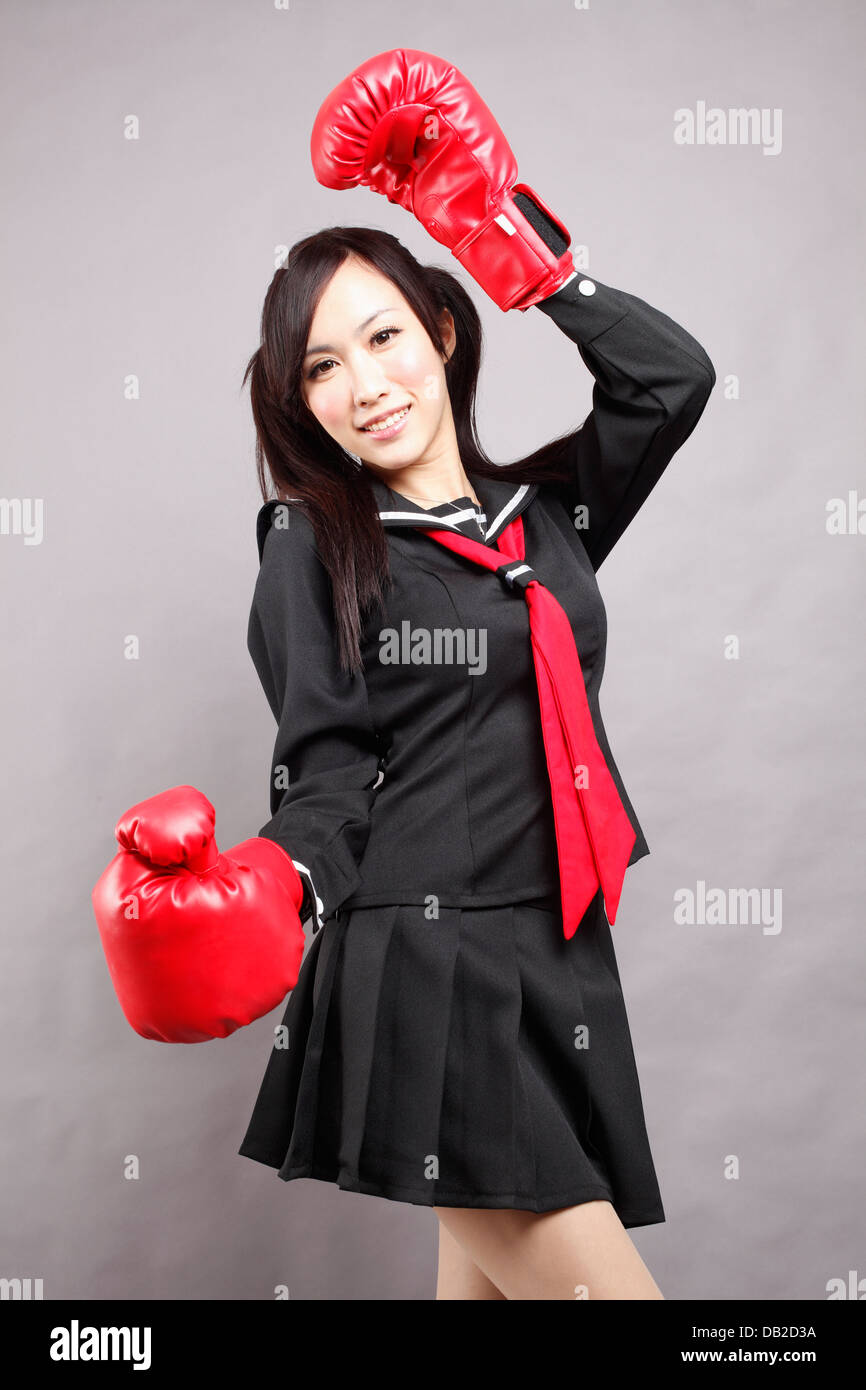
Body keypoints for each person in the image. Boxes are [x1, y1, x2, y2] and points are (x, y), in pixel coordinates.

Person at [235, 220, 715, 1299]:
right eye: (320, 366)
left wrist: (528, 254)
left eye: (382, 337)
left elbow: (670, 379)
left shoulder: (545, 520)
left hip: (553, 955)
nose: (363, 384)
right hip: (425, 963)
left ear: (444, 330)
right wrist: (267, 883)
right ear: (299, 401)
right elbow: (319, 778)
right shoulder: (311, 544)